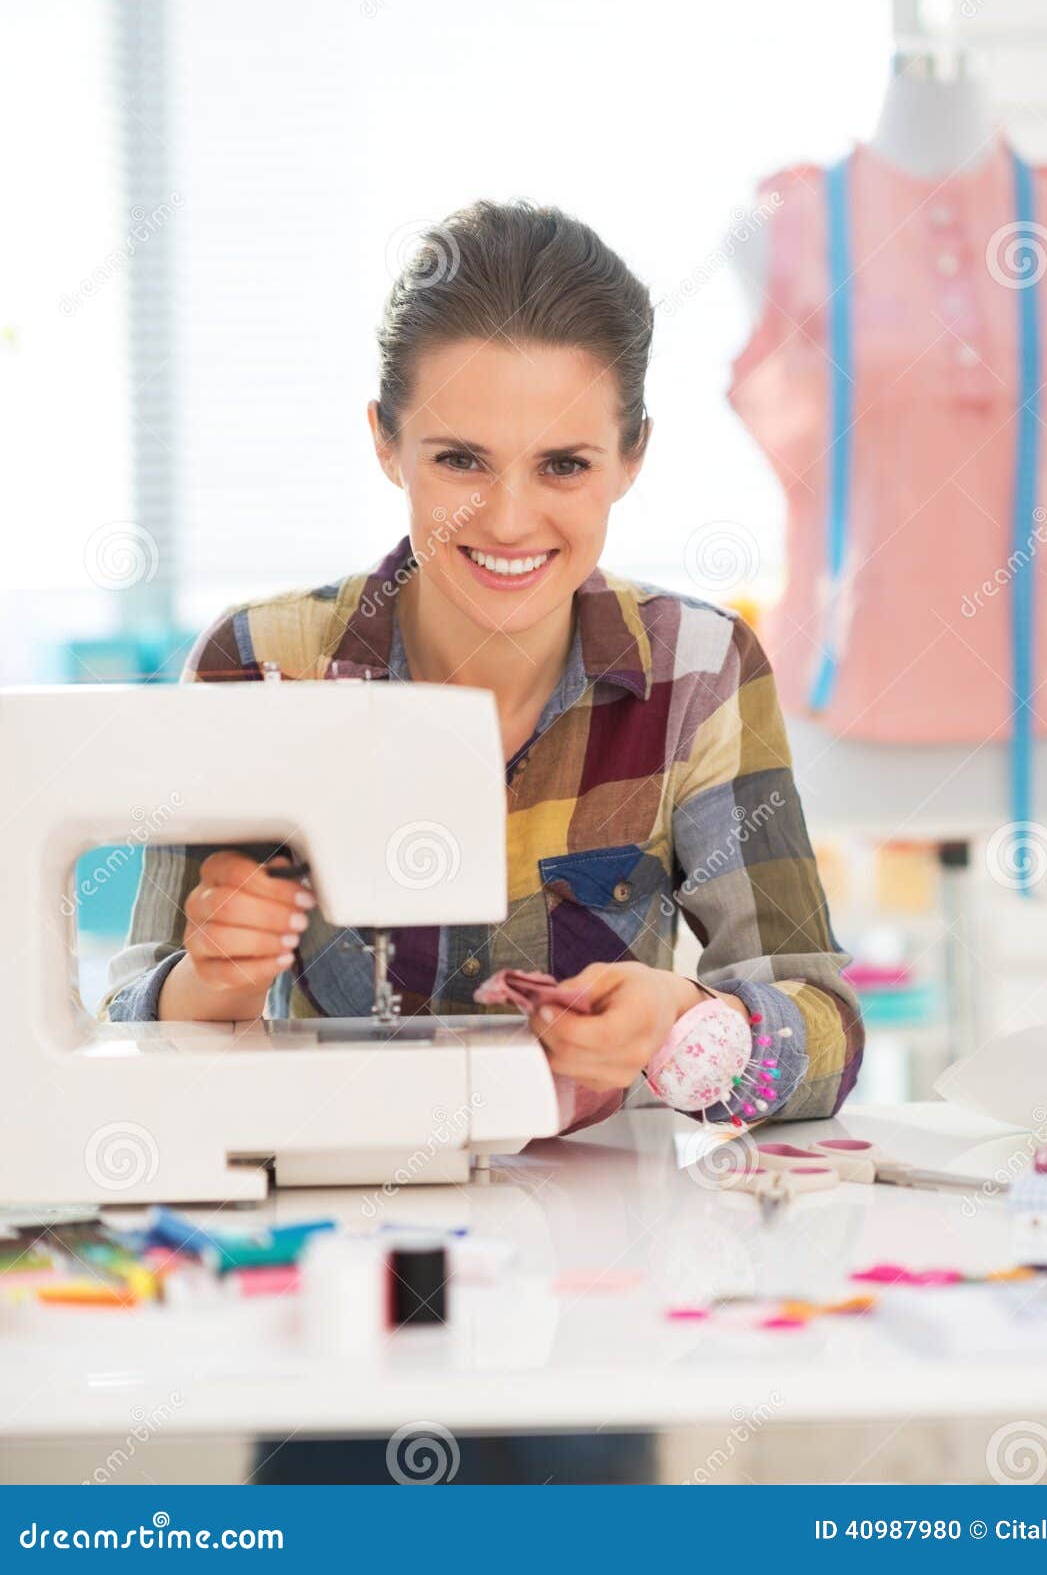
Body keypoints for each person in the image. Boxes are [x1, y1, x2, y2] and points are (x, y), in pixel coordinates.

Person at [99, 197, 864, 1483]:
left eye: (563, 465)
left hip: (596, 1280)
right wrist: (208, 985)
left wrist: (686, 1027)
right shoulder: (260, 662)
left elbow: (823, 1026)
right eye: (460, 459)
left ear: (630, 457)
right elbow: (127, 1022)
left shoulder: (695, 671)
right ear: (384, 444)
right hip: (329, 1280)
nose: (508, 519)